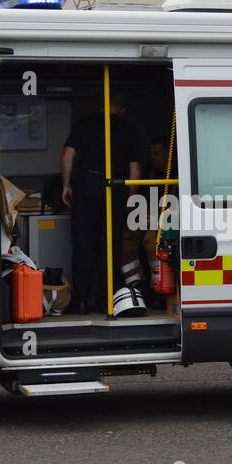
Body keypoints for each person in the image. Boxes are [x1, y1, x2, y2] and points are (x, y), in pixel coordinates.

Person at [61, 95, 143, 315]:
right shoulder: (129, 130)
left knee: (83, 243)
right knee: (110, 245)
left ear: (102, 105)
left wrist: (66, 185)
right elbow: (134, 172)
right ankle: (108, 300)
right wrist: (128, 200)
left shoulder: (85, 123)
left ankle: (80, 300)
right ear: (123, 109)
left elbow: (68, 154)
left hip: (87, 184)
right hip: (115, 187)